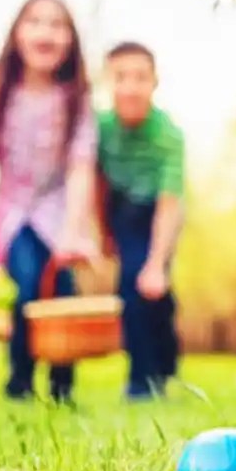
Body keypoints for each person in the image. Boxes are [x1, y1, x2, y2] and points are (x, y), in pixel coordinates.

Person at [0, 0, 98, 405]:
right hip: (13, 209)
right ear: (17, 34)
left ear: (70, 40)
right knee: (26, 288)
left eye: (57, 24)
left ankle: (62, 385)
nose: (46, 32)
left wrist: (74, 230)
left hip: (58, 208)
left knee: (61, 291)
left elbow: (80, 167)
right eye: (35, 22)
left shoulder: (76, 98)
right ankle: (20, 381)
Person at [97, 42, 184, 401]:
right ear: (107, 82)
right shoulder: (99, 128)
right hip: (120, 211)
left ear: (155, 82)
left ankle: (144, 381)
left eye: (140, 78)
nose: (130, 87)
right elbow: (94, 182)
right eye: (120, 77)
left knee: (146, 283)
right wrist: (102, 233)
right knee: (133, 291)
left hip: (157, 215)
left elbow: (170, 202)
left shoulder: (167, 134)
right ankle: (155, 370)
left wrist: (157, 262)